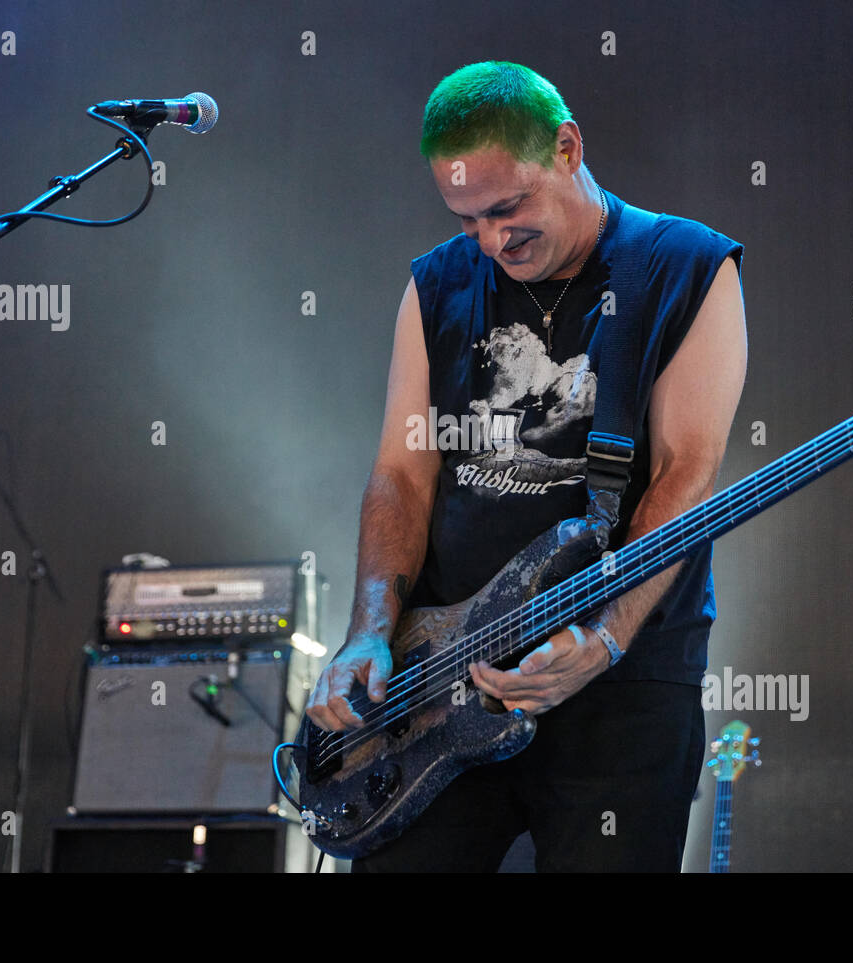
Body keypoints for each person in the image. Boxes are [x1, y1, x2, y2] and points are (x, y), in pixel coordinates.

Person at [305, 61, 747, 871]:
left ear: (568, 149)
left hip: (622, 682)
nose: (490, 240)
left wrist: (605, 636)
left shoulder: (685, 267)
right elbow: (401, 475)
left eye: (508, 208)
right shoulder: (436, 284)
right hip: (437, 680)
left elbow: (685, 475)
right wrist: (368, 632)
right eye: (467, 218)